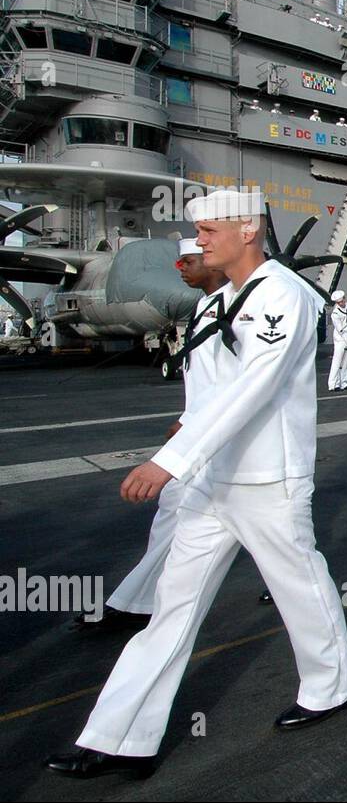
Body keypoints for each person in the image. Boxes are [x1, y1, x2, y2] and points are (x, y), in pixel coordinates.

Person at [46, 189, 347, 780]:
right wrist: (187, 429)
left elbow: (255, 387)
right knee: (171, 606)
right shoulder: (218, 302)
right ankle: (118, 736)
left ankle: (334, 684)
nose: (200, 243)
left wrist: (170, 459)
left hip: (266, 477)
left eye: (210, 231)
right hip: (211, 478)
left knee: (300, 586)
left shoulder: (282, 297)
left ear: (248, 231)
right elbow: (215, 387)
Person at [77, 239, 228, 632]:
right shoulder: (206, 308)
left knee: (279, 543)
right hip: (200, 435)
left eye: (188, 260)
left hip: (225, 443)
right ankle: (138, 602)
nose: (179, 268)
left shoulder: (239, 308)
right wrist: (186, 418)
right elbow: (210, 381)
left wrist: (185, 435)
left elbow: (239, 386)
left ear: (212, 264)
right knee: (175, 515)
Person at [327, 289, 347, 390]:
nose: (341, 304)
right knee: (337, 361)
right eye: (339, 303)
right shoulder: (335, 313)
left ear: (344, 299)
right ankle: (333, 384)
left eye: (342, 301)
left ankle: (344, 382)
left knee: (345, 362)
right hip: (340, 339)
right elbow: (340, 329)